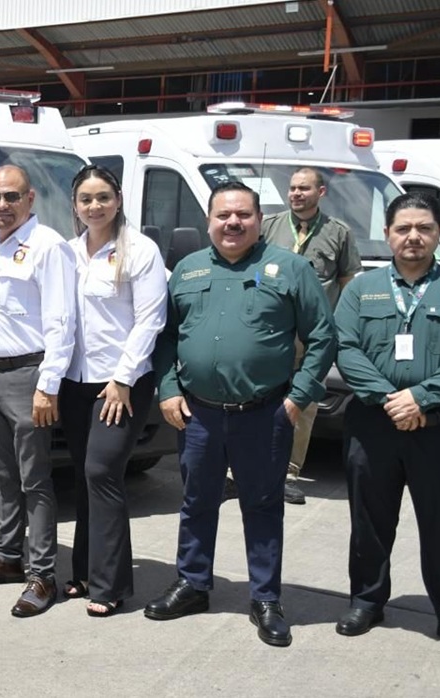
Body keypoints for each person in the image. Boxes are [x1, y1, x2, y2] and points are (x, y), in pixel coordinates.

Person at [147, 181, 336, 647]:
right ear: (209, 220)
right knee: (196, 502)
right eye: (223, 215)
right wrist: (168, 390)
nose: (232, 223)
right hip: (198, 415)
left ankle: (266, 598)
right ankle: (193, 583)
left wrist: (298, 397)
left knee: (263, 505)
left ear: (258, 220)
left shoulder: (291, 269)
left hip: (265, 412)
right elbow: (166, 336)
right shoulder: (187, 270)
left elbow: (323, 336)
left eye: (243, 215)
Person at [333, 192, 440, 665]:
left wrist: (421, 398)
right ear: (387, 234)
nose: (413, 237)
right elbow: (346, 347)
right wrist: (393, 401)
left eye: (423, 227)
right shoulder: (363, 290)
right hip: (374, 424)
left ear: (439, 233)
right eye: (403, 228)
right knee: (369, 520)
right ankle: (366, 602)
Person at [0, 164, 76, 620]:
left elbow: (61, 321)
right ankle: (8, 556)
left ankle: (42, 574)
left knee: (34, 481)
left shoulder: (48, 247)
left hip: (29, 376)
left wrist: (48, 386)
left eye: (10, 197)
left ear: (30, 200)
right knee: (4, 476)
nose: (1, 206)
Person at [57, 165, 167, 617]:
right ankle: (84, 571)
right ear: (75, 205)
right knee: (85, 476)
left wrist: (122, 380)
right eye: (85, 199)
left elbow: (150, 320)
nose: (94, 206)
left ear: (118, 200)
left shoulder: (140, 250)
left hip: (119, 384)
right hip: (73, 382)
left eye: (102, 197)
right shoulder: (67, 252)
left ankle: (112, 584)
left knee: (102, 472)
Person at [261, 167, 362, 504]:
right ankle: (240, 471)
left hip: (312, 336)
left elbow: (349, 282)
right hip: (269, 332)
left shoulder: (338, 233)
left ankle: (288, 472)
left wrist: (341, 328)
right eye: (292, 188)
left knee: (303, 405)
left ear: (321, 192)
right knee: (258, 399)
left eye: (304, 188)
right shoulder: (268, 226)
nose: (296, 194)